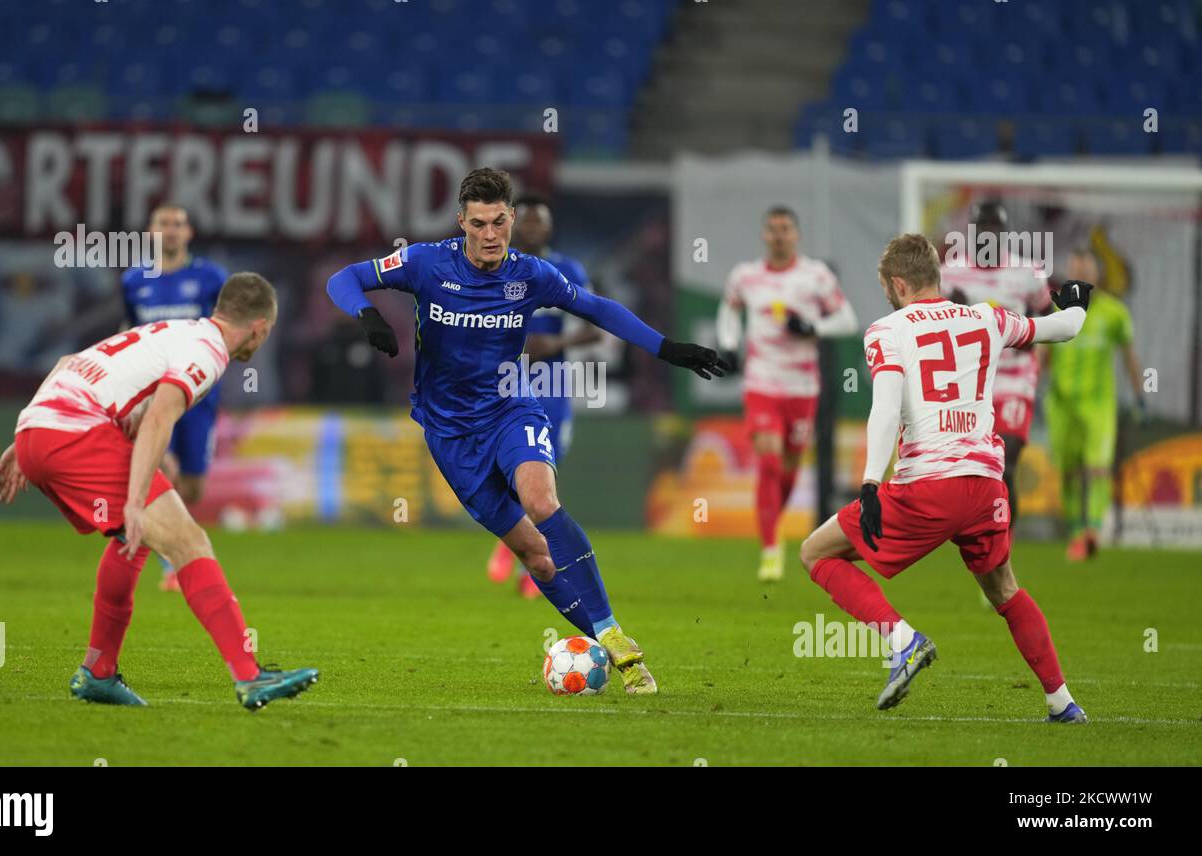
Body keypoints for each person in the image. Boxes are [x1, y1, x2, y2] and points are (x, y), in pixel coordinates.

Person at [325, 168, 728, 694]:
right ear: (461, 223)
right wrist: (368, 315)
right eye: (478, 224)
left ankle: (612, 635)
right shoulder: (425, 262)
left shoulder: (531, 274)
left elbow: (597, 307)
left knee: (541, 501)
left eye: (498, 222)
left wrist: (666, 347)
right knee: (536, 556)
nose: (490, 235)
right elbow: (345, 278)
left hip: (511, 407)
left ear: (511, 218)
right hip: (449, 435)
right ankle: (619, 650)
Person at [799, 233, 1091, 723]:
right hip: (985, 484)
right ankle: (1062, 703)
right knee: (1004, 589)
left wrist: (871, 482)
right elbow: (1060, 328)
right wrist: (1080, 304)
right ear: (936, 275)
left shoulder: (887, 330)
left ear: (897, 284)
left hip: (928, 485)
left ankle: (904, 642)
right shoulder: (986, 316)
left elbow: (886, 406)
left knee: (815, 552)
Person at [0, 273, 318, 710]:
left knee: (136, 542)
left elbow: (69, 360)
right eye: (268, 332)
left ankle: (99, 671)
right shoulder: (208, 351)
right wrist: (134, 500)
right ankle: (249, 675)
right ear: (260, 327)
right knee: (189, 541)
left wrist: (26, 436)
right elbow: (159, 418)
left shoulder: (175, 330)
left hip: (40, 426)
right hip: (74, 433)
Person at [716, 206, 858, 581]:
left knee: (790, 469)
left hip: (803, 385)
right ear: (764, 235)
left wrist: (812, 326)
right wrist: (729, 345)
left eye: (786, 229)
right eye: (773, 229)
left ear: (796, 235)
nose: (779, 235)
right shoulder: (746, 276)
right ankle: (771, 549)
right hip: (762, 381)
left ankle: (770, 525)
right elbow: (728, 311)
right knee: (769, 461)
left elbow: (847, 320)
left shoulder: (816, 276)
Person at [486, 193, 602, 598]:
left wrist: (552, 345)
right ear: (516, 224)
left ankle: (527, 560)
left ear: (549, 228)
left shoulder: (567, 269)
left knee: (543, 471)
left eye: (541, 222)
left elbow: (593, 327)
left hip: (551, 381)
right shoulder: (495, 267)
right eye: (528, 222)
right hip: (504, 378)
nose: (534, 229)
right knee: (507, 467)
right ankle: (514, 544)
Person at [120, 203, 229, 592]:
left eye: (178, 224)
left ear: (189, 232)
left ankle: (161, 542)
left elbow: (225, 328)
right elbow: (129, 331)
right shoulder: (134, 280)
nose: (170, 230)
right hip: (153, 392)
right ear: (150, 232)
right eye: (163, 223)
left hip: (198, 393)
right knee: (162, 469)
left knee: (194, 485)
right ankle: (171, 563)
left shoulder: (211, 278)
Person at [940, 200, 1052, 526]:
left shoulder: (1028, 273)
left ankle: (1002, 542)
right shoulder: (950, 273)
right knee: (977, 466)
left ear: (1004, 235)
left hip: (1015, 377)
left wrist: (1029, 338)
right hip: (973, 382)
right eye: (982, 229)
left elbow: (1048, 320)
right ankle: (982, 533)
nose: (988, 235)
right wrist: (953, 310)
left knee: (1007, 459)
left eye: (995, 230)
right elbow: (935, 327)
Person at [1043, 247, 1146, 561]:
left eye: (1087, 269)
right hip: (1061, 405)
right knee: (1070, 472)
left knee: (1098, 468)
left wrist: (1142, 394)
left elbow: (1131, 357)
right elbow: (1042, 356)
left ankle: (1093, 530)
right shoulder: (1055, 309)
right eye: (1076, 269)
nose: (1082, 274)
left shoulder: (1115, 313)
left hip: (1099, 404)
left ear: (1098, 274)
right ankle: (1076, 533)